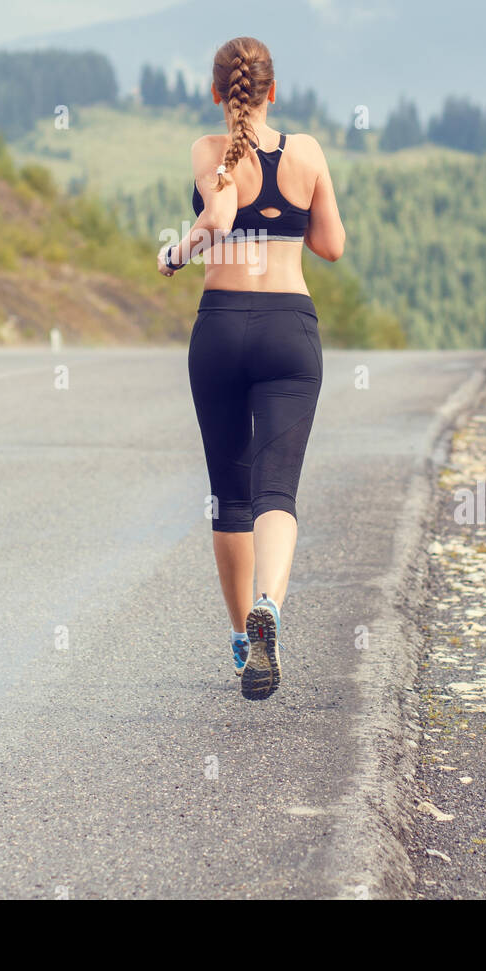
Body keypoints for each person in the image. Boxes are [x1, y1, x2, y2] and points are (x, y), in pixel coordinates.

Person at [157, 36, 346, 700]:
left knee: (229, 495)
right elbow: (332, 245)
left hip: (221, 328)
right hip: (288, 331)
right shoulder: (308, 152)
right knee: (276, 492)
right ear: (272, 91)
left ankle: (244, 642)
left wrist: (178, 252)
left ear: (217, 92)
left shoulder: (208, 153)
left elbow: (221, 213)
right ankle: (270, 603)